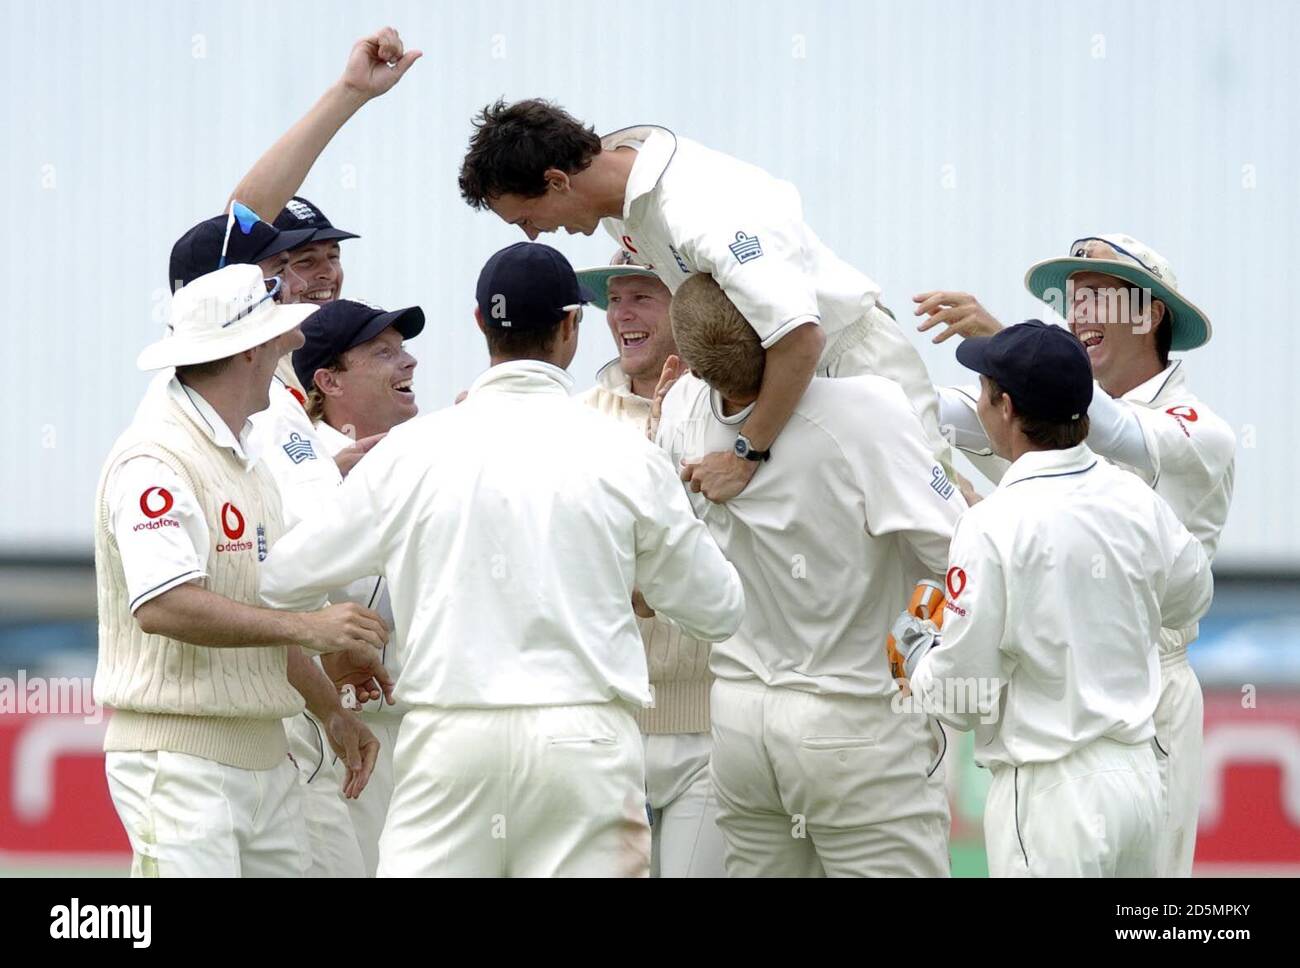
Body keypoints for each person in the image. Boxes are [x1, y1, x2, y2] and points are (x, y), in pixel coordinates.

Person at [260, 243, 745, 877]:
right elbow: (719, 609)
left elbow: (283, 580)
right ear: (572, 327)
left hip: (450, 742)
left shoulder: (413, 452)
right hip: (585, 746)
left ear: (481, 325)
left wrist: (333, 634)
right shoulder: (627, 456)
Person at [915, 234, 1235, 876]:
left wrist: (1015, 350)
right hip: (1105, 715)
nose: (1078, 312)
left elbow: (1105, 426)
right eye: (1072, 301)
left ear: (1149, 315)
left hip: (1149, 694)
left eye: (1097, 297)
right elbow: (936, 412)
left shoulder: (1197, 427)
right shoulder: (1055, 417)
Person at [458, 99, 951, 504]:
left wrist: (743, 457)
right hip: (773, 380)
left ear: (557, 181)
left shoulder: (701, 209)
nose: (534, 233)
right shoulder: (616, 197)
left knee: (945, 520)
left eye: (526, 217)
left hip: (846, 361)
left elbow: (801, 337)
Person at [655, 273, 960, 877]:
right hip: (853, 717)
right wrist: (911, 655)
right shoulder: (865, 409)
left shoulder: (683, 408)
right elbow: (962, 559)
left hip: (739, 719)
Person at [93, 264, 391, 876]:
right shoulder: (156, 457)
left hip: (262, 759)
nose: (298, 344)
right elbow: (164, 606)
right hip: (178, 762)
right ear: (251, 351)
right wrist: (310, 627)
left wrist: (329, 710)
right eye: (282, 335)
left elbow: (252, 622)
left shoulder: (248, 455)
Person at [575, 254, 725, 877]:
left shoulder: (740, 415)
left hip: (715, 724)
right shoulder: (576, 421)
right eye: (615, 299)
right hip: (607, 722)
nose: (621, 314)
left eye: (642, 297)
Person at [289, 297, 424, 876]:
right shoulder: (297, 461)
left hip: (416, 729)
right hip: (327, 736)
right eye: (384, 353)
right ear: (328, 381)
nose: (409, 363)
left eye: (404, 348)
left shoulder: (423, 455)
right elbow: (263, 587)